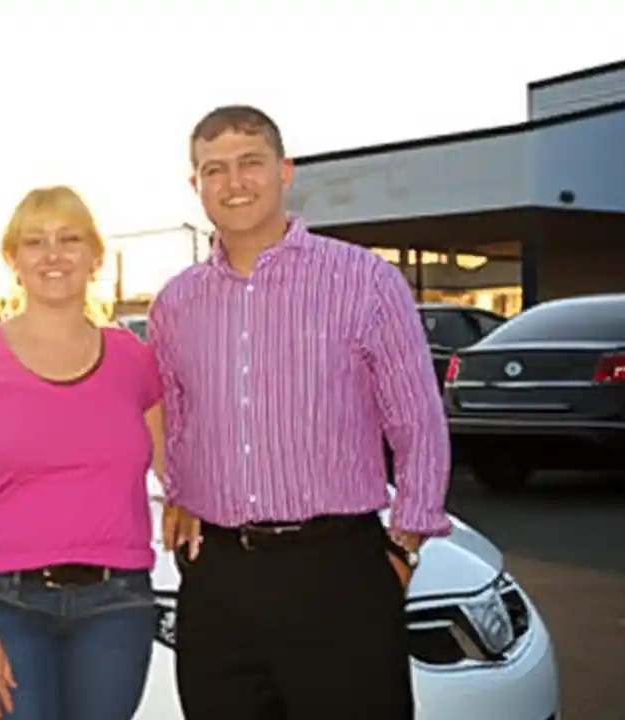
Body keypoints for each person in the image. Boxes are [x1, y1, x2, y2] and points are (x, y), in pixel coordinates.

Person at [148, 105, 452, 719]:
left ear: (284, 171)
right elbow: (176, 414)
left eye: (250, 163)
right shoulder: (175, 304)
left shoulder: (363, 280)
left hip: (338, 573)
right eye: (214, 169)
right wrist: (179, 491)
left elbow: (417, 422)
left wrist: (404, 548)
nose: (234, 182)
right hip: (220, 582)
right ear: (196, 185)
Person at [0, 185, 163, 719]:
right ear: (14, 260)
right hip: (4, 605)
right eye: (36, 241)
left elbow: (179, 470)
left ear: (95, 257)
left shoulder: (132, 359)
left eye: (69, 238)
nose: (53, 254)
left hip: (117, 605)